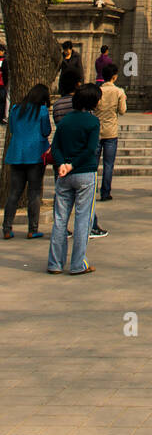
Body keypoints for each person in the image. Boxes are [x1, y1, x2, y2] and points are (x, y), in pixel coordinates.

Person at [47, 83, 101, 275]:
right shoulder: (92, 122)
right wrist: (72, 165)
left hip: (63, 175)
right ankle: (78, 263)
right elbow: (90, 149)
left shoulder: (65, 121)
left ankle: (55, 263)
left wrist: (63, 164)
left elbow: (55, 148)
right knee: (82, 218)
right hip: (85, 172)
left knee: (60, 219)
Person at [2, 83, 51, 240]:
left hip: (17, 154)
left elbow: (13, 129)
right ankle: (33, 228)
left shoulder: (16, 109)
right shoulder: (42, 111)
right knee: (34, 193)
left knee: (14, 193)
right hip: (35, 155)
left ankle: (7, 228)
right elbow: (46, 131)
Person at [93, 62, 126, 202]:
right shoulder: (119, 92)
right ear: (114, 77)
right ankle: (105, 192)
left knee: (93, 163)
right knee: (108, 164)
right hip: (111, 132)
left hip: (96, 131)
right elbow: (122, 110)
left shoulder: (97, 91)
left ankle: (90, 189)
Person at [0, 41, 8, 123]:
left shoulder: (3, 60)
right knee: (2, 101)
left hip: (2, 84)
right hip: (2, 84)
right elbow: (5, 73)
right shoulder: (3, 60)